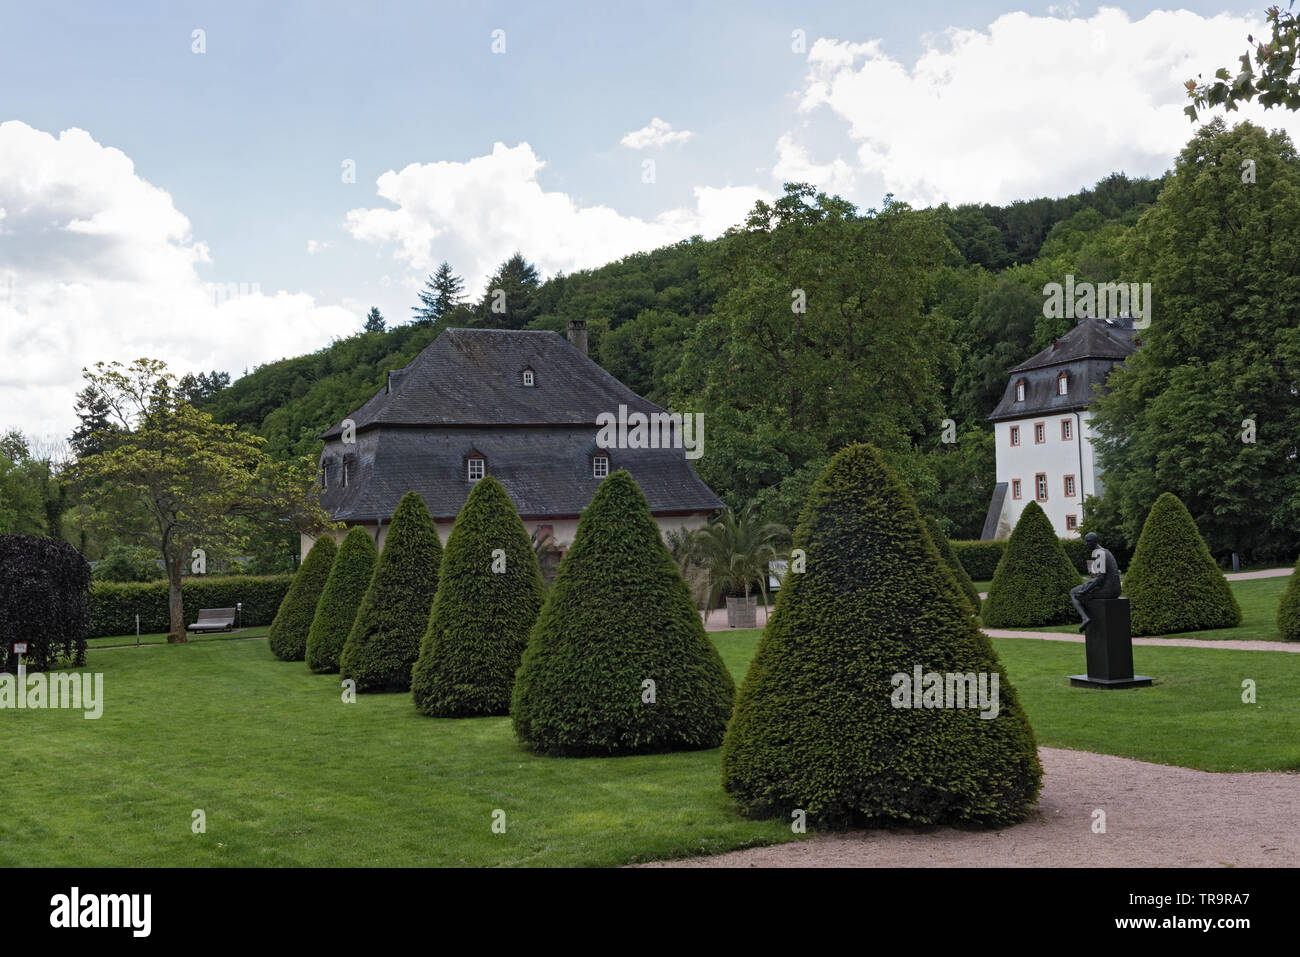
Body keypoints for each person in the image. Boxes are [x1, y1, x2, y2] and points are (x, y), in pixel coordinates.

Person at [1071, 532, 1120, 632]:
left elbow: (1099, 579)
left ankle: (1085, 618)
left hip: (1108, 590)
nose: (1086, 544)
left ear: (1094, 542)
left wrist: (1086, 590)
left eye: (1088, 542)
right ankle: (1085, 618)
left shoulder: (1100, 554)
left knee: (1073, 592)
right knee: (1082, 588)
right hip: (1114, 588)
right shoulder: (1105, 551)